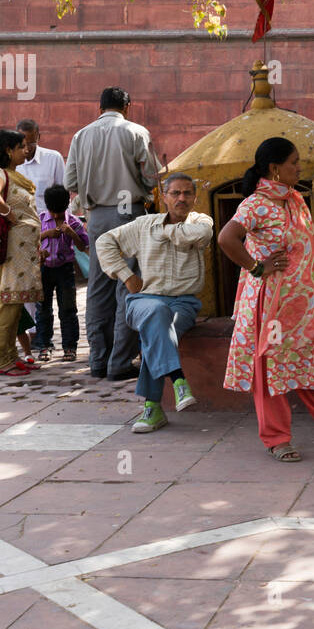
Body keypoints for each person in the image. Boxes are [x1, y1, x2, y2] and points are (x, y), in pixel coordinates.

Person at [218, 137, 314, 461]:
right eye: (294, 162)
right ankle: (277, 439)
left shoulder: (293, 200)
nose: (299, 167)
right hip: (271, 305)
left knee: (311, 363)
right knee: (269, 369)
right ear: (275, 168)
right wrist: (257, 267)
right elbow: (226, 238)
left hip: (303, 307)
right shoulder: (255, 204)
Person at [96, 173, 214, 434]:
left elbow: (196, 235)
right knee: (156, 313)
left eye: (186, 193)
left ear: (194, 198)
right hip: (144, 299)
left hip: (183, 303)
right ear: (164, 196)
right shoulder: (142, 225)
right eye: (175, 193)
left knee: (157, 326)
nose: (181, 198)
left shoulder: (201, 221)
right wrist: (126, 276)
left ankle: (153, 408)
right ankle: (178, 380)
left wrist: (161, 229)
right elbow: (104, 242)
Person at [63, 86, 162, 380]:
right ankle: (119, 362)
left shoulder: (81, 136)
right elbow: (151, 176)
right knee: (127, 285)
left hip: (96, 216)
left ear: (100, 107)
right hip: (128, 213)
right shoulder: (136, 132)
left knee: (99, 286)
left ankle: (98, 360)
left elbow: (71, 180)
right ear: (127, 106)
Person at [0, 129, 43, 377]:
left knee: (15, 306)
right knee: (6, 304)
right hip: (10, 254)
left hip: (22, 254)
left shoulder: (14, 175)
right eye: (22, 146)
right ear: (8, 150)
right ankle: (1, 361)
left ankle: (11, 356)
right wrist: (8, 213)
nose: (26, 150)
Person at [36, 184, 88, 362]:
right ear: (47, 207)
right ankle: (44, 345)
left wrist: (72, 233)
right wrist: (46, 234)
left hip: (65, 269)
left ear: (67, 206)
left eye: (60, 212)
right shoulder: (41, 220)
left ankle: (70, 346)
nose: (56, 216)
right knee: (43, 309)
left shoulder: (74, 222)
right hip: (43, 268)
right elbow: (30, 240)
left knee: (68, 309)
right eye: (53, 212)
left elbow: (83, 246)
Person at [17, 119, 67, 215]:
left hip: (47, 222)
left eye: (31, 143)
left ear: (38, 137)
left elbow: (63, 195)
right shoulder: (10, 162)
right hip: (20, 222)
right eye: (23, 144)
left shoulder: (54, 159)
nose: (27, 149)